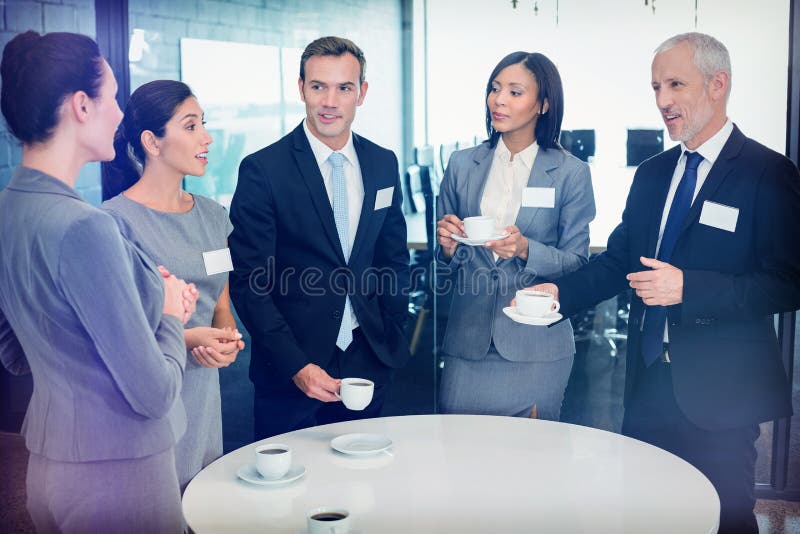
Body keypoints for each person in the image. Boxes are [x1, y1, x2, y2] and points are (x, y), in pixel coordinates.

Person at [524, 32, 800, 532]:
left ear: (719, 85)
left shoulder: (768, 172)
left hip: (722, 392)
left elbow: (788, 281)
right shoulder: (652, 174)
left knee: (723, 518)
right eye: (656, 87)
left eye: (675, 84)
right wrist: (560, 295)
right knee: (647, 514)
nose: (662, 101)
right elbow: (620, 262)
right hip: (648, 384)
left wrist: (689, 288)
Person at [0, 31, 198, 532]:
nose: (119, 115)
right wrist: (170, 312)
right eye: (111, 98)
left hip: (49, 472)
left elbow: (15, 351)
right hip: (120, 475)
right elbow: (153, 394)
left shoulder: (9, 209)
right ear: (81, 105)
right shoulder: (86, 227)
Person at [229, 36, 410, 439]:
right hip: (291, 369)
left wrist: (392, 325)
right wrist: (296, 365)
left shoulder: (383, 163)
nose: (330, 101)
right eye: (318, 86)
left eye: (344, 88)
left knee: (364, 488)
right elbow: (249, 283)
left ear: (361, 93)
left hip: (368, 361)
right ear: (300, 89)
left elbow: (392, 255)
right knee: (288, 498)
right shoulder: (263, 170)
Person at [435, 52, 595, 419]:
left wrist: (526, 249)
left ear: (543, 103)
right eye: (495, 88)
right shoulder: (462, 165)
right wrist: (445, 248)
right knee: (460, 456)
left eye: (514, 91)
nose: (499, 100)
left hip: (536, 349)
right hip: (467, 341)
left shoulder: (571, 173)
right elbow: (443, 260)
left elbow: (577, 263)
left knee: (530, 464)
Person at [101, 80, 244, 490]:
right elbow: (117, 332)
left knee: (201, 500)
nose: (207, 137)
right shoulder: (114, 223)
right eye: (191, 126)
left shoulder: (215, 216)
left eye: (204, 124)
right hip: (151, 399)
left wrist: (225, 337)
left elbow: (219, 303)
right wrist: (187, 338)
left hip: (205, 395)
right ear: (152, 141)